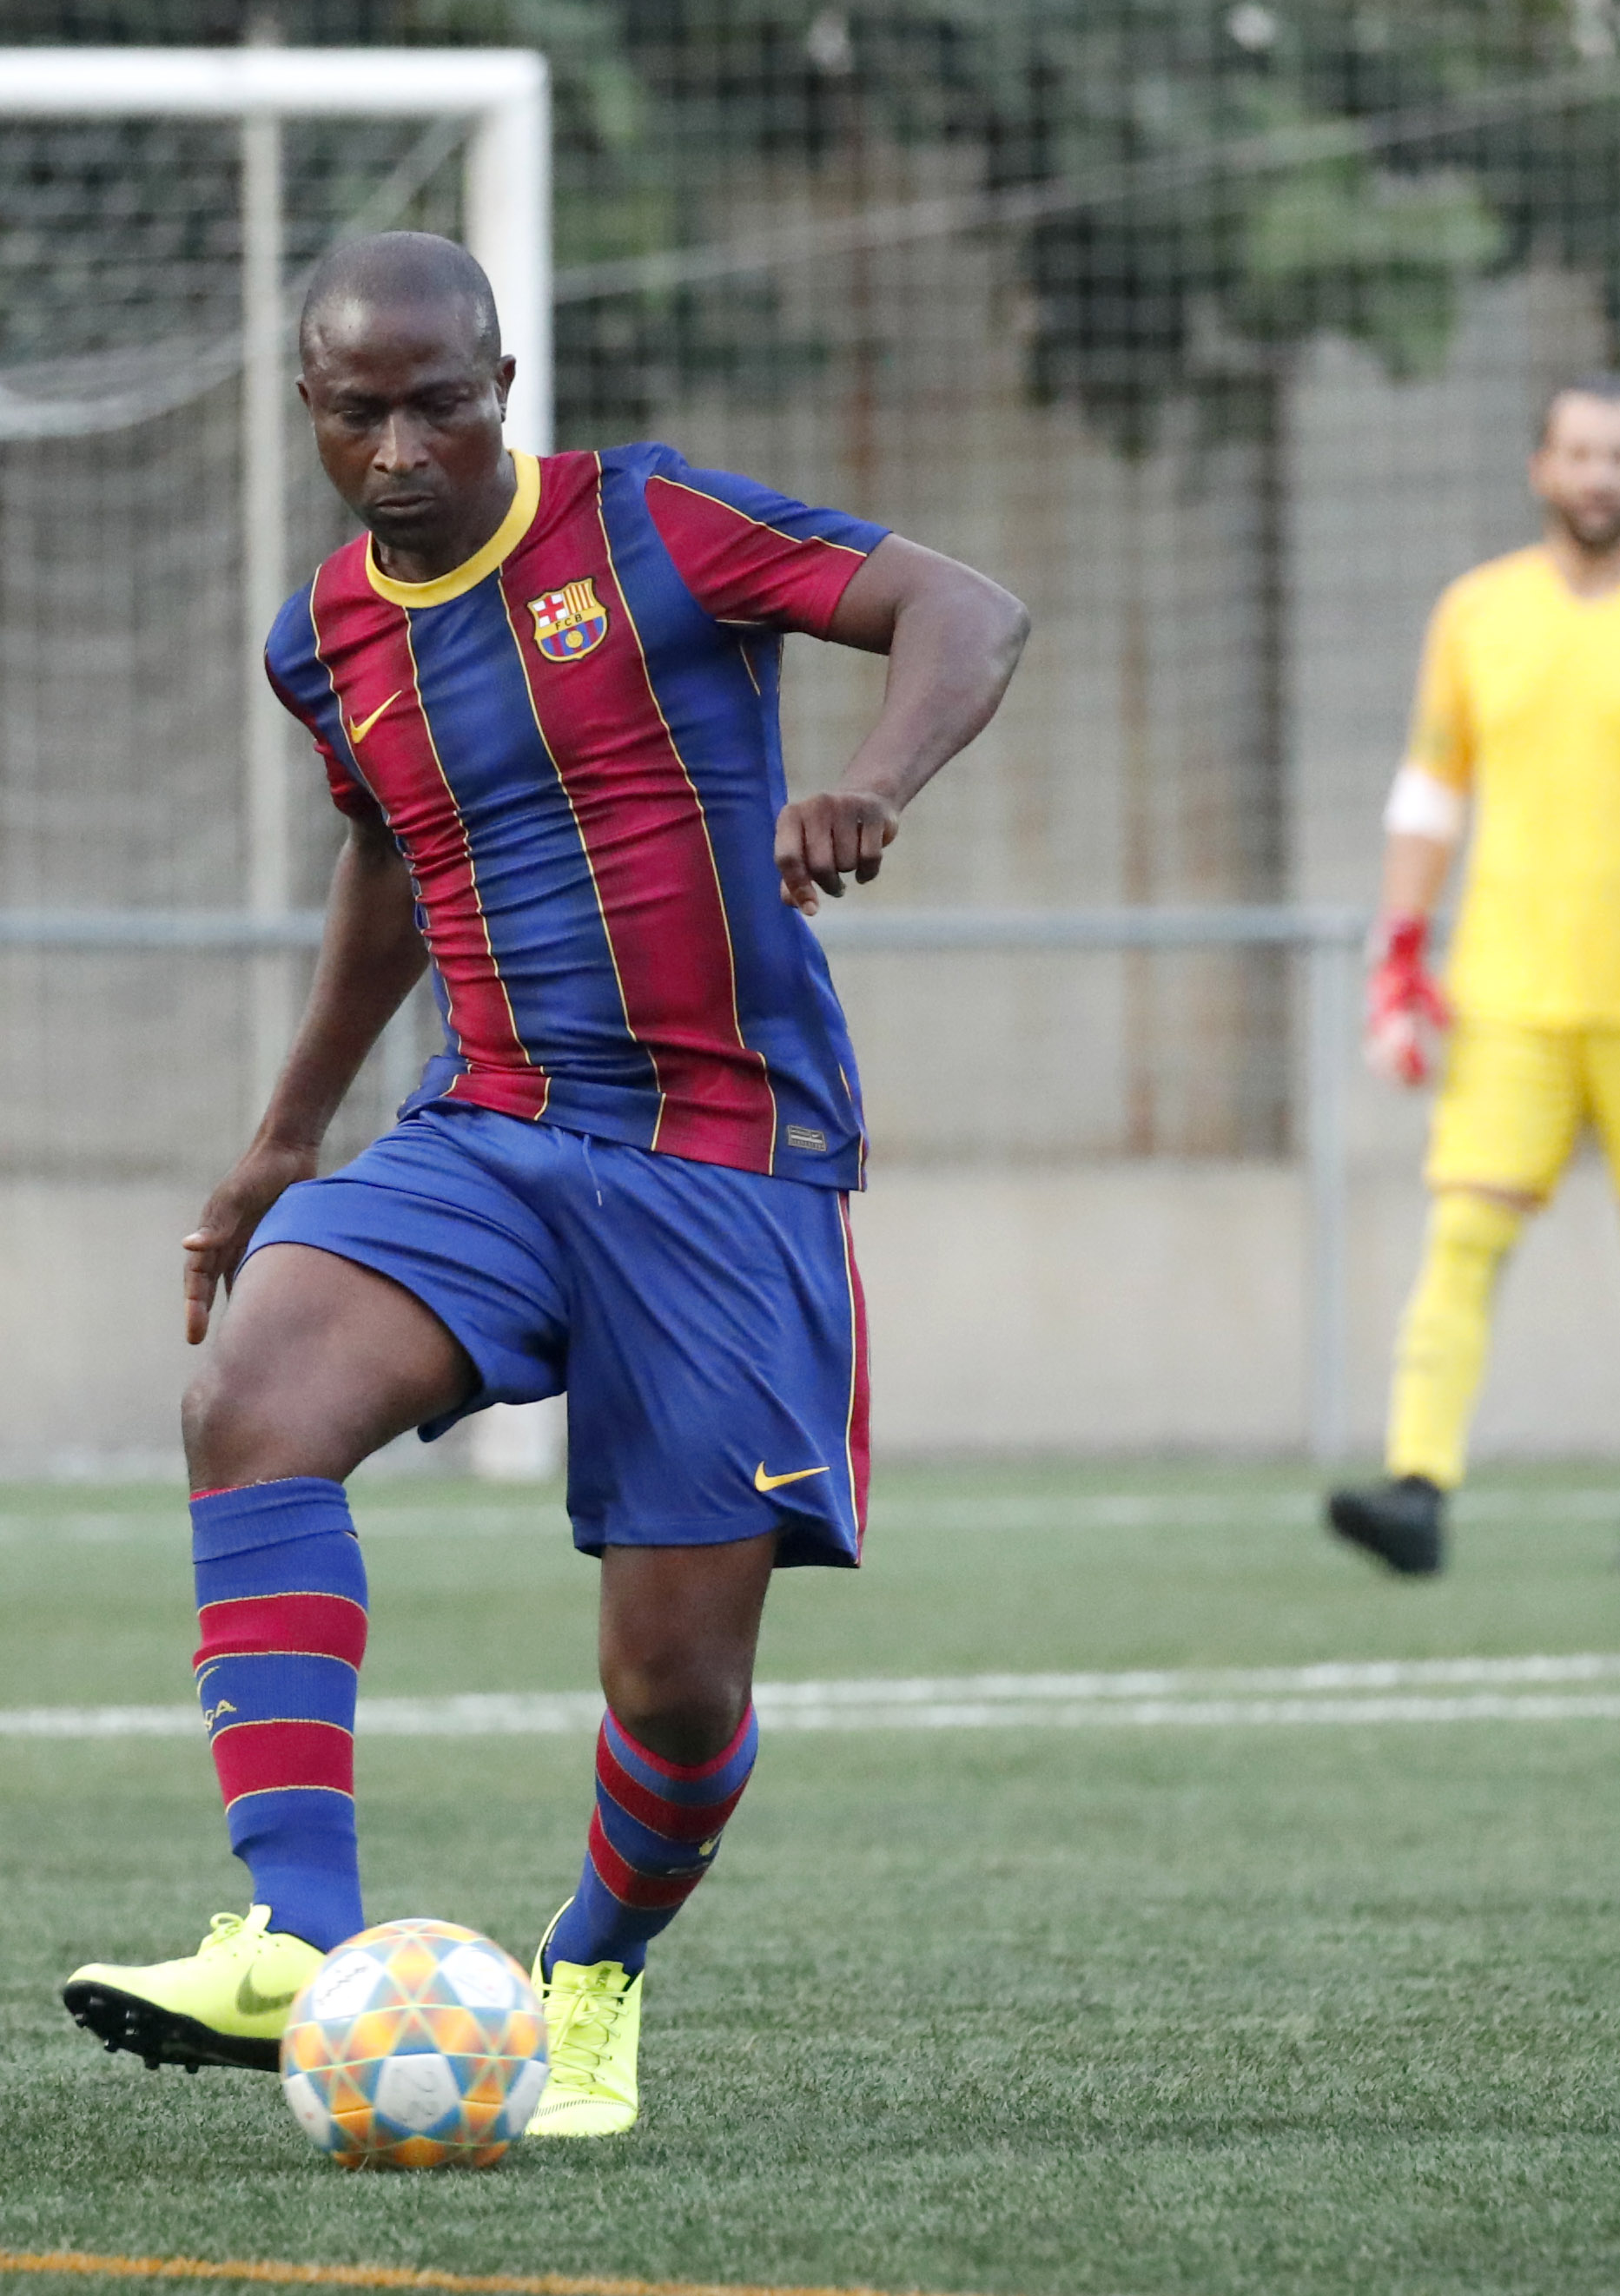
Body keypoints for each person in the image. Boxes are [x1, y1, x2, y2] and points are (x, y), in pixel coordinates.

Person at [58, 232, 1026, 2136]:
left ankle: (589, 1974)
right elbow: (391, 859)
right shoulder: (319, 637)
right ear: (314, 418)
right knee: (247, 1399)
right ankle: (297, 1934)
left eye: (438, 400)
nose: (402, 444)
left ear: (501, 385)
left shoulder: (654, 523)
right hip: (490, 1122)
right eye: (360, 412)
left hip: (722, 1160)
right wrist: (284, 1130)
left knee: (672, 1686)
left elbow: (966, 608)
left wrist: (876, 783)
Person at [1326, 373, 1620, 1579]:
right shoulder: (1475, 613)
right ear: (1540, 468)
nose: (1599, 476)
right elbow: (1430, 794)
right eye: (1579, 454)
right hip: (1508, 990)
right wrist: (1396, 950)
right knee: (1464, 1233)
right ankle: (1417, 1491)